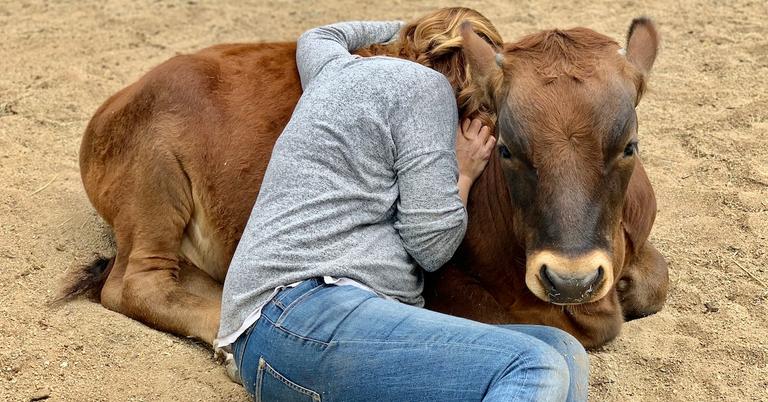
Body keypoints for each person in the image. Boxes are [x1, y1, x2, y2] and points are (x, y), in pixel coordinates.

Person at [218, 10, 589, 402]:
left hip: (292, 326)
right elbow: (430, 246)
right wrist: (463, 172)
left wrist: (406, 28)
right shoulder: (428, 91)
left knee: (563, 351)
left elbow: (320, 34)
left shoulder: (334, 67)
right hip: (302, 313)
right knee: (535, 365)